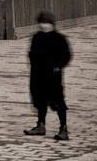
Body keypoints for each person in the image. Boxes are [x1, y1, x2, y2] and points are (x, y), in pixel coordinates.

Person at [25, 10, 72, 141]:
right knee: (40, 100)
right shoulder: (36, 37)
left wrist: (58, 66)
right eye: (42, 23)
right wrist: (33, 64)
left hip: (53, 76)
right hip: (38, 74)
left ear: (52, 24)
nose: (44, 26)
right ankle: (40, 125)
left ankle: (63, 128)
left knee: (58, 101)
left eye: (47, 23)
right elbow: (31, 53)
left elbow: (66, 55)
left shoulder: (59, 38)